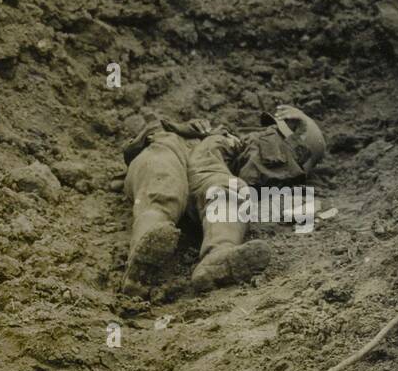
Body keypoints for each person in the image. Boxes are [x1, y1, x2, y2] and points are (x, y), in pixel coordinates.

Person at [122, 105, 326, 290]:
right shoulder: (210, 135)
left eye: (272, 135)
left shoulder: (242, 170)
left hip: (208, 174)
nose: (260, 134)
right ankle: (139, 268)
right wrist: (175, 128)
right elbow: (144, 141)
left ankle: (218, 257)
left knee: (230, 190)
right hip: (168, 149)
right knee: (163, 187)